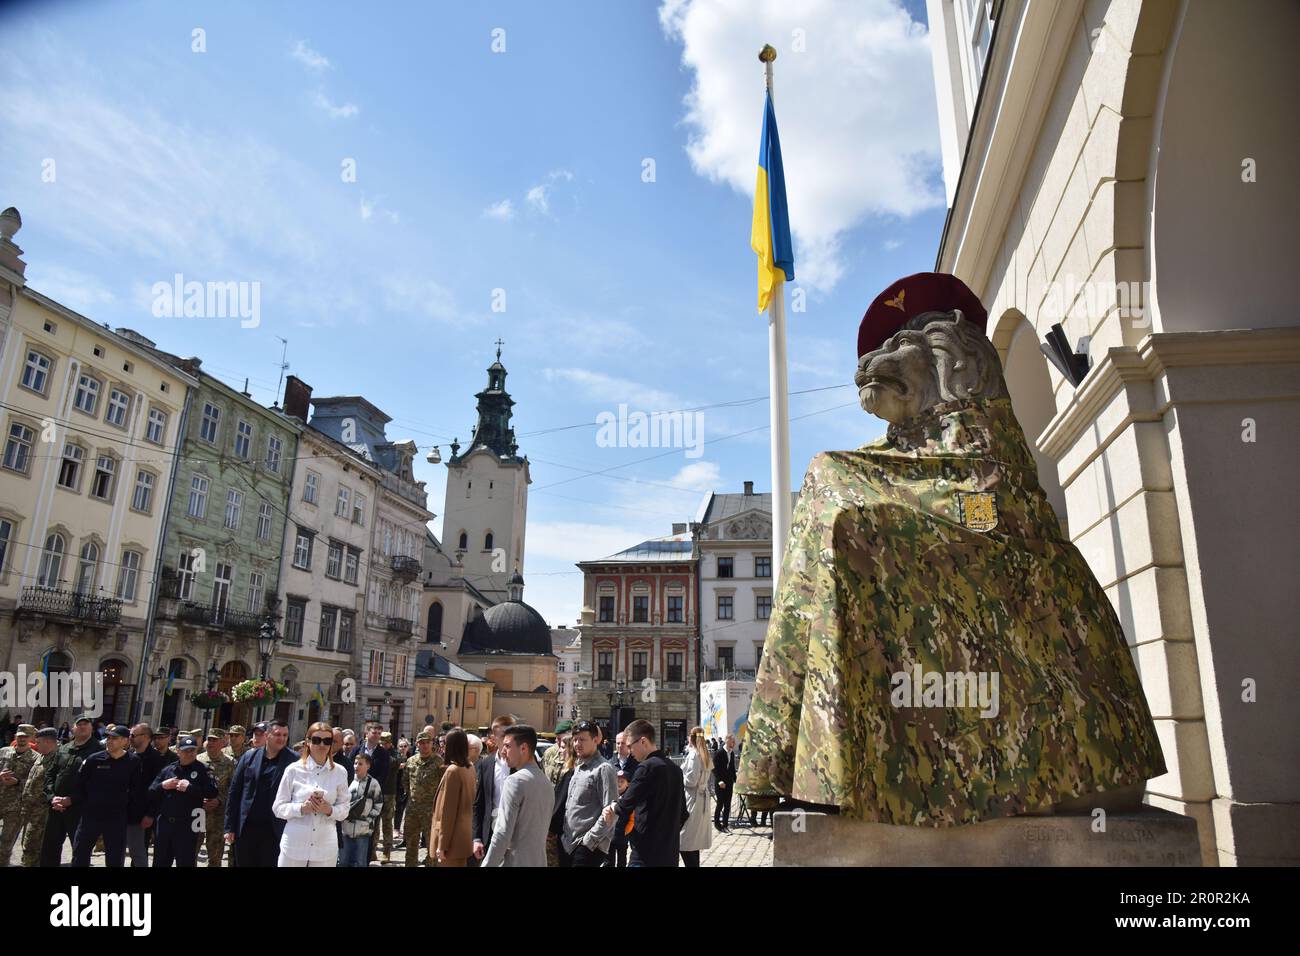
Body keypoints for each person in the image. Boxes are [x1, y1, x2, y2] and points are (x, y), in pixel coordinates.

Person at [601, 720, 686, 868]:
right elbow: (683, 814)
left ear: (643, 741)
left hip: (646, 853)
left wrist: (612, 807)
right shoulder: (675, 769)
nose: (629, 751)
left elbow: (625, 805)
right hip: (669, 853)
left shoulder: (646, 767)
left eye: (630, 746)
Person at [272, 721, 350, 867]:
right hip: (294, 845)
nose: (322, 745)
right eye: (316, 740)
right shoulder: (293, 770)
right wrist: (302, 808)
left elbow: (345, 809)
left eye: (327, 741)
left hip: (325, 846)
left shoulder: (340, 772)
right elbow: (278, 808)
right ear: (307, 742)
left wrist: (329, 810)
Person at [223, 720, 298, 867]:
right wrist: (229, 827)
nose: (282, 738)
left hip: (275, 830)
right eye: (277, 734)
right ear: (267, 735)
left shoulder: (294, 761)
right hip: (246, 829)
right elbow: (235, 792)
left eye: (285, 735)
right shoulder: (249, 757)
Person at [481, 725, 552, 867]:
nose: (502, 751)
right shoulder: (546, 782)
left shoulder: (515, 781)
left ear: (523, 748)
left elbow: (502, 834)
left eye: (507, 746)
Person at [70, 726, 140, 867]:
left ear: (125, 741)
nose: (109, 741)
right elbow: (79, 785)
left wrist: (132, 814)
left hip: (116, 817)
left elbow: (136, 791)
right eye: (108, 737)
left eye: (114, 738)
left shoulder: (133, 762)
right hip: (91, 815)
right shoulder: (94, 760)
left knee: (115, 856)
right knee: (80, 853)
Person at [40, 715, 102, 866]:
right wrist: (51, 797)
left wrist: (72, 799)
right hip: (56, 808)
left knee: (80, 850)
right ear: (73, 728)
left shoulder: (99, 750)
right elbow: (50, 774)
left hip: (80, 809)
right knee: (49, 847)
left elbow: (97, 782)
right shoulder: (64, 748)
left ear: (91, 728)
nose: (82, 727)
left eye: (86, 724)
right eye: (79, 724)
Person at [149, 735, 218, 867]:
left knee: (185, 861)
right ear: (178, 751)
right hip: (165, 823)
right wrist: (163, 785)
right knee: (160, 861)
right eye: (186, 750)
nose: (189, 753)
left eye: (192, 750)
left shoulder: (203, 770)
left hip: (189, 824)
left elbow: (212, 792)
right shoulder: (169, 769)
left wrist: (190, 788)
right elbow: (151, 791)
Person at [558, 719, 617, 867]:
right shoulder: (578, 767)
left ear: (595, 740)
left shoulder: (603, 768)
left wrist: (589, 841)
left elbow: (611, 811)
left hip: (587, 847)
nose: (577, 744)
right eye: (575, 739)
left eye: (582, 739)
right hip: (568, 843)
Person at [471, 714, 515, 862]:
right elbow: (479, 803)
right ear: (494, 738)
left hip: (515, 834)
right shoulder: (486, 764)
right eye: (503, 735)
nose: (508, 739)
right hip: (490, 832)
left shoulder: (522, 764)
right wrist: (476, 837)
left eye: (511, 734)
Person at [431, 728, 476, 867]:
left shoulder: (453, 770)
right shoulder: (470, 767)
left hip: (451, 842)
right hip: (463, 838)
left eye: (445, 743)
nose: (442, 746)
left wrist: (442, 845)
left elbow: (448, 811)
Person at [125, 723, 165, 867]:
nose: (130, 738)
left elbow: (158, 790)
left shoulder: (156, 759)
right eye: (130, 735)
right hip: (124, 810)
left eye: (133, 735)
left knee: (139, 852)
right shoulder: (127, 756)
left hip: (142, 814)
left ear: (146, 737)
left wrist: (150, 814)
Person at [17, 728, 59, 867]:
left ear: (48, 741)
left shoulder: (58, 759)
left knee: (33, 848)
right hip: (30, 812)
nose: (36, 744)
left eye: (38, 742)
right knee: (27, 846)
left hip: (42, 814)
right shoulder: (42, 756)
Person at [403, 732, 445, 866]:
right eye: (422, 743)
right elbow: (405, 782)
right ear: (417, 744)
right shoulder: (411, 761)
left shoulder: (439, 762)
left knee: (432, 844)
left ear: (432, 744)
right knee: (411, 843)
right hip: (412, 809)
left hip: (431, 810)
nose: (425, 745)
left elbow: (443, 785)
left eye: (428, 742)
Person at [197, 730, 236, 867]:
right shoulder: (197, 759)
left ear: (223, 743)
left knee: (215, 855)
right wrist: (199, 799)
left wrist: (219, 800)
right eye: (209, 739)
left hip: (218, 814)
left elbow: (233, 789)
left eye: (215, 740)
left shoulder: (230, 762)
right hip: (199, 812)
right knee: (191, 850)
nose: (211, 743)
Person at [0, 724, 38, 866]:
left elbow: (36, 782)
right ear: (15, 736)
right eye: (20, 736)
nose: (22, 739)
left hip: (16, 808)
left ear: (31, 738)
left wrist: (17, 782)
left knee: (5, 845)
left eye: (25, 736)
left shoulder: (36, 758)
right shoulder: (3, 752)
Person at [339, 751, 383, 867]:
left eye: (360, 764)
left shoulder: (373, 784)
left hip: (363, 830)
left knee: (360, 862)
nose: (356, 766)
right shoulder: (348, 781)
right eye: (355, 763)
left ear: (368, 766)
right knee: (343, 860)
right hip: (346, 828)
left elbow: (378, 805)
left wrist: (368, 820)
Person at [679, 726, 713, 866]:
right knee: (694, 840)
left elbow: (691, 781)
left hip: (693, 798)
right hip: (701, 798)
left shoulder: (694, 754)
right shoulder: (704, 753)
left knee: (685, 840)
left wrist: (679, 777)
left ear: (691, 738)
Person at [606, 731, 639, 867]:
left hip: (632, 815)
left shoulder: (637, 762)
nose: (620, 746)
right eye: (618, 743)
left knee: (628, 853)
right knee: (609, 855)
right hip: (614, 814)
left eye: (623, 743)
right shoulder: (610, 762)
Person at [712, 734, 737, 832]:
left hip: (729, 782)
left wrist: (735, 779)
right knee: (720, 803)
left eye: (734, 742)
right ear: (727, 741)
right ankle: (717, 823)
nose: (733, 743)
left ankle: (725, 824)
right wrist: (719, 781)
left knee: (727, 804)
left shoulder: (731, 753)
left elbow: (731, 768)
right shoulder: (719, 752)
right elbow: (714, 768)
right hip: (720, 782)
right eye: (732, 741)